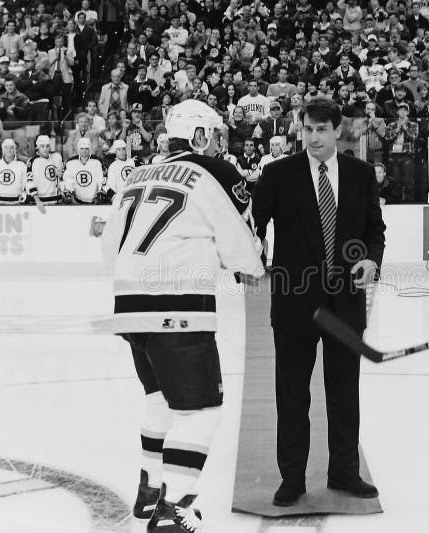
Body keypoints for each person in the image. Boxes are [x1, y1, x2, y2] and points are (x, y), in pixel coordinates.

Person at [99, 98, 264, 533]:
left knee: (159, 399)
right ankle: (175, 509)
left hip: (129, 306)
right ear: (199, 135)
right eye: (213, 135)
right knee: (201, 410)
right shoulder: (215, 172)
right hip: (180, 306)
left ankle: (150, 490)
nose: (216, 143)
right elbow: (238, 234)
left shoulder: (136, 174)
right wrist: (252, 266)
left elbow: (109, 247)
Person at [252, 96, 386, 507]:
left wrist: (369, 259)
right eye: (307, 129)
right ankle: (292, 477)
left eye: (321, 130)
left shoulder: (362, 175)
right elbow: (255, 224)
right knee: (292, 394)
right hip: (295, 302)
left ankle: (344, 472)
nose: (313, 137)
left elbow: (374, 229)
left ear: (337, 130)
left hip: (346, 302)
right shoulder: (277, 174)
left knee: (344, 391)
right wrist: (252, 253)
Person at [0, 139, 33, 205]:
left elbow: (26, 183)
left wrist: (25, 193)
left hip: (16, 203)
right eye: (6, 147)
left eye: (11, 147)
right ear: (2, 149)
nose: (9, 150)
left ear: (15, 150)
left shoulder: (22, 165)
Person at [62, 137, 105, 204]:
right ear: (78, 149)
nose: (84, 151)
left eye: (86, 149)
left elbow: (100, 180)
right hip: (77, 199)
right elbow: (68, 180)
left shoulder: (97, 162)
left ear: (90, 149)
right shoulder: (71, 162)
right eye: (82, 148)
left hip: (93, 199)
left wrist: (98, 195)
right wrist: (71, 196)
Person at [27, 135, 65, 205]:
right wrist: (37, 200)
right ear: (38, 147)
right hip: (41, 201)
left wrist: (61, 174)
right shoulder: (32, 161)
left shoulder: (56, 157)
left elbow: (62, 175)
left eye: (47, 146)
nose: (45, 149)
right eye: (42, 146)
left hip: (57, 200)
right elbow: (29, 183)